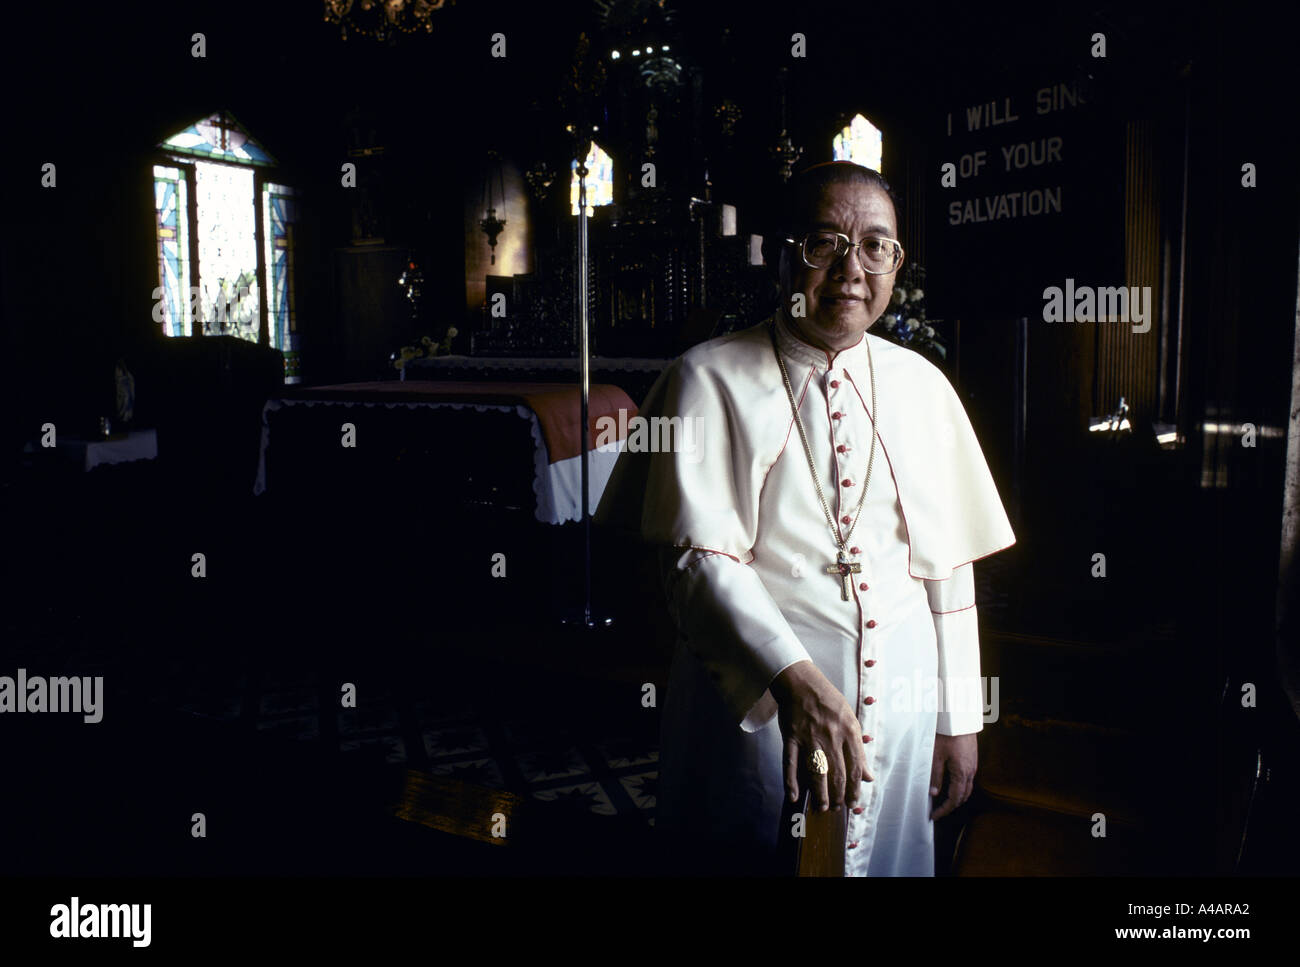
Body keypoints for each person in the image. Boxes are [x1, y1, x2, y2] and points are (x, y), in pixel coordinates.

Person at [597, 161, 1015, 875]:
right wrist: (795, 680)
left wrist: (960, 722)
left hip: (901, 714)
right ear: (786, 253)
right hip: (757, 711)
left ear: (897, 263)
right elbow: (696, 560)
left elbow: (950, 567)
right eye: (827, 242)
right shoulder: (707, 377)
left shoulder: (924, 388)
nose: (852, 270)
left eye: (875, 245)